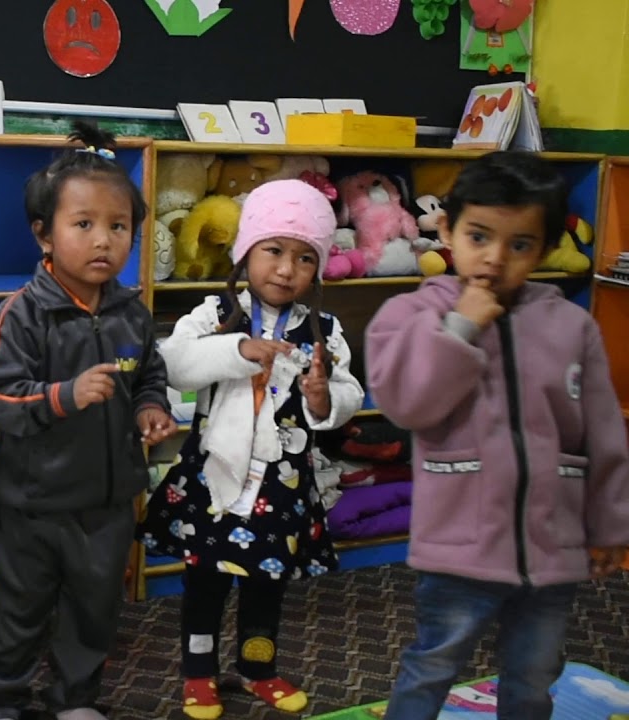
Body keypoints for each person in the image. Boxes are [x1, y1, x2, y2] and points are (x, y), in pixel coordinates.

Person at [367, 151, 629, 720]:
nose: (494, 258)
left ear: (542, 249)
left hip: (552, 546)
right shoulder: (409, 316)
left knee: (534, 677)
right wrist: (462, 325)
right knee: (432, 666)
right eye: (479, 236)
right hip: (459, 546)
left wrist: (609, 524)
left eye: (519, 244)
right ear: (448, 228)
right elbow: (407, 404)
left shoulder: (570, 324)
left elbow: (603, 431)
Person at [0, 121, 174, 720]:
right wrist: (64, 395)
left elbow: (149, 376)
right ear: (44, 235)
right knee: (19, 610)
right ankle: (0, 701)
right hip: (33, 506)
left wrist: (150, 410)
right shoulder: (23, 314)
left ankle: (74, 701)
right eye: (83, 224)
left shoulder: (131, 313)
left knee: (94, 609)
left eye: (118, 227)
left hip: (107, 506)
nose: (104, 240)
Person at [137, 178, 364, 719]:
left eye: (304, 258)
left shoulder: (324, 330)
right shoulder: (215, 313)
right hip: (215, 479)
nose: (286, 269)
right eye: (273, 251)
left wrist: (324, 397)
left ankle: (258, 668)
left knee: (267, 581)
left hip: (281, 485)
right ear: (246, 252)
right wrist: (237, 349)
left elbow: (352, 393)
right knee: (205, 582)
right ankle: (199, 672)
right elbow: (173, 362)